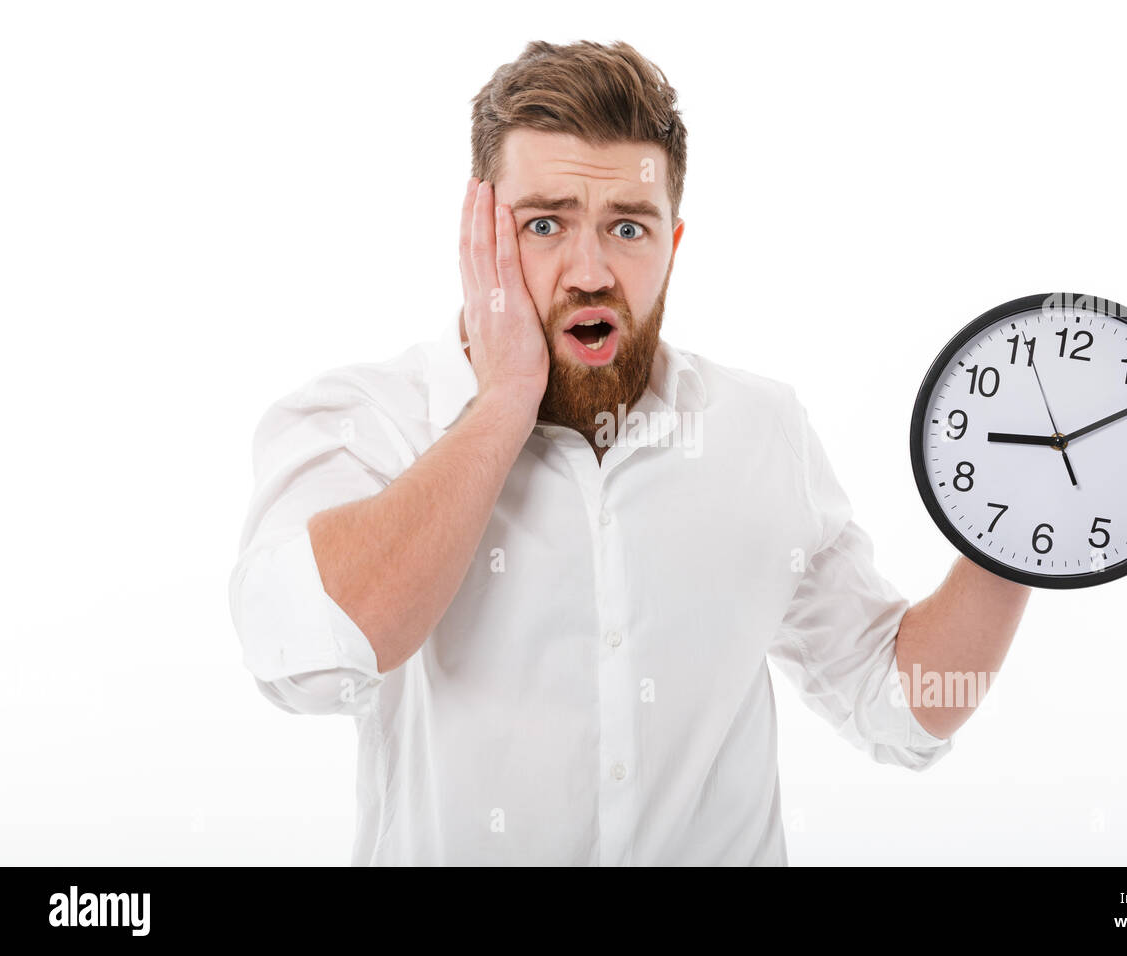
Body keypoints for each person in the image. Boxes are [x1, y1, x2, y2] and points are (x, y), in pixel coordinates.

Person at [228, 39, 1031, 865]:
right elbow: (312, 660)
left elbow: (897, 702)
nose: (590, 270)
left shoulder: (759, 431)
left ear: (672, 246)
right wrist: (503, 401)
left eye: (627, 228)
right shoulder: (364, 420)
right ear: (479, 238)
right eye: (544, 224)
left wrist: (1015, 536)